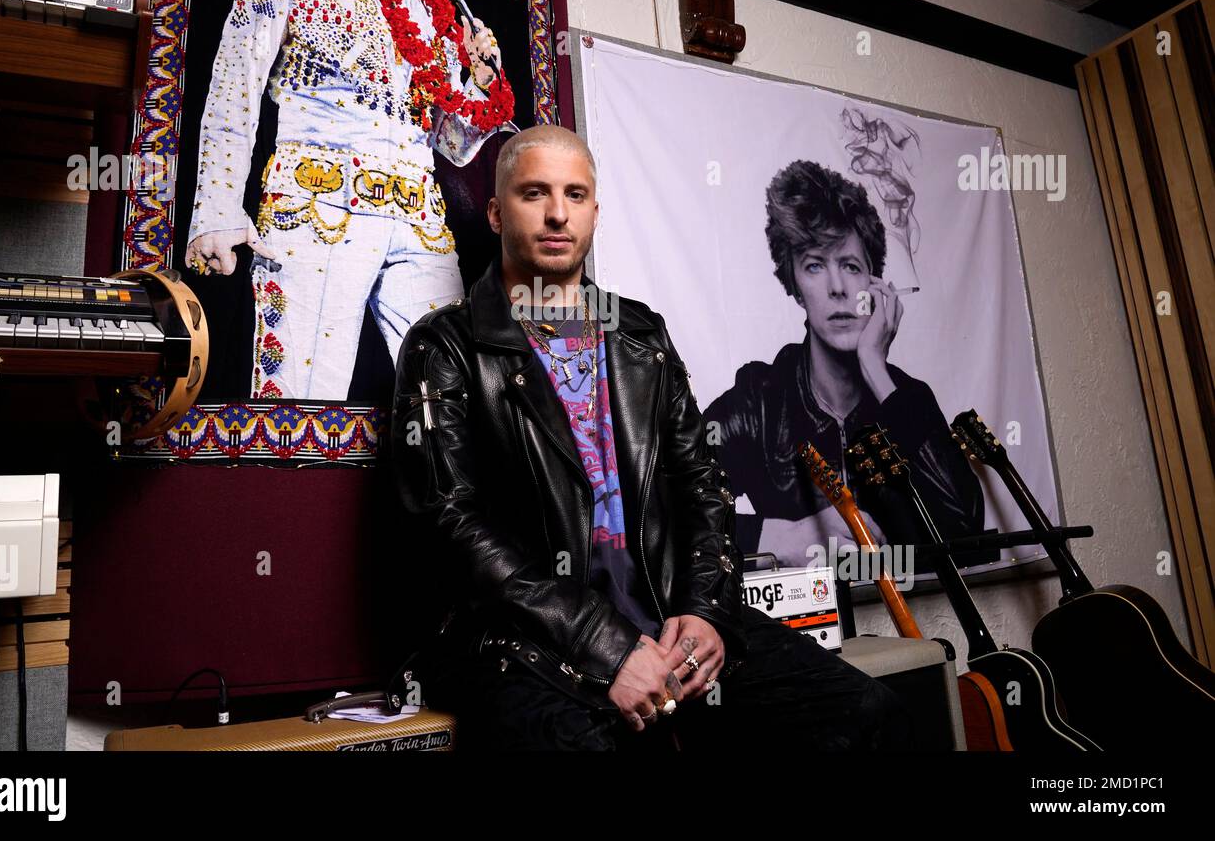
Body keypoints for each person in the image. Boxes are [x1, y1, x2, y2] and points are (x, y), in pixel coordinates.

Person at [385, 126, 914, 750]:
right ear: (497, 213)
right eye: (535, 193)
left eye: (575, 195)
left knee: (863, 708)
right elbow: (451, 523)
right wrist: (605, 647)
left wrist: (705, 612)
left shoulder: (639, 335)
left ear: (594, 212)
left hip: (669, 617)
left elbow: (704, 482)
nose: (558, 213)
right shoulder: (445, 345)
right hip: (528, 641)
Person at [184, 0, 515, 399]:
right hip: (318, 207)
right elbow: (233, 90)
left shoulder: (438, 19)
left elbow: (451, 145)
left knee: (457, 397)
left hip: (419, 225)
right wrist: (218, 207)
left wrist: (480, 84)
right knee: (303, 394)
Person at [703, 159, 984, 566]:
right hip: (796, 627)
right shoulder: (759, 403)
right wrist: (775, 535)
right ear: (795, 286)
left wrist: (875, 367)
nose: (837, 288)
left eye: (850, 266)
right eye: (815, 265)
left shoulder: (905, 399)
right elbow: (665, 503)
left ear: (875, 282)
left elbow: (966, 530)